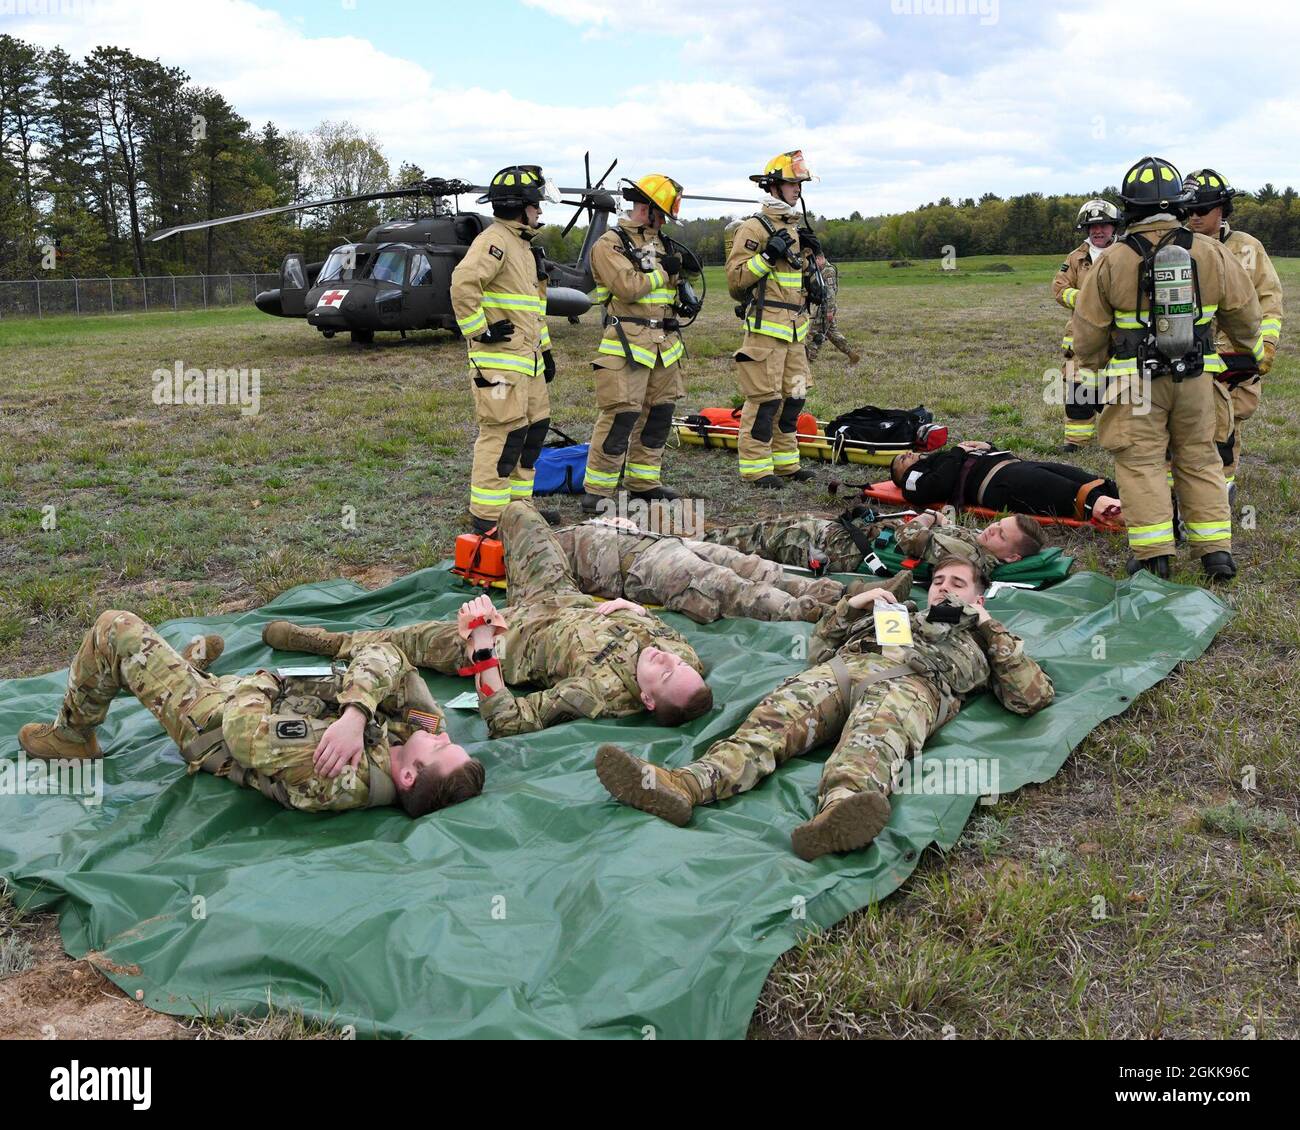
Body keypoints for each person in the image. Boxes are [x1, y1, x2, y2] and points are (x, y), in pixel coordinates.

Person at [596, 556, 1054, 860]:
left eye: (958, 584)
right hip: (843, 670)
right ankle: (685, 785)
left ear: (977, 596)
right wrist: (854, 605)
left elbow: (1030, 697)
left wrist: (989, 627)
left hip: (915, 686)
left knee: (870, 746)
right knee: (769, 725)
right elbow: (818, 650)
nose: (943, 590)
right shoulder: (898, 615)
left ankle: (839, 816)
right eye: (937, 582)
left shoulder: (984, 637)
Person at [262, 503, 712, 737]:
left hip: (508, 636)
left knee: (406, 641)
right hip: (559, 598)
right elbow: (670, 640)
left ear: (648, 702)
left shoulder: (597, 694)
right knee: (517, 513)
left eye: (664, 671)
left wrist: (481, 649)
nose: (664, 656)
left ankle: (327, 642)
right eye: (676, 661)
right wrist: (632, 609)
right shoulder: (681, 658)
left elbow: (508, 720)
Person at [17, 612, 483, 816]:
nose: (442, 733)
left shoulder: (333, 769)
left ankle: (74, 738)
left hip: (212, 722)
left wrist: (268, 679)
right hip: (249, 700)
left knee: (114, 629)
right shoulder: (415, 737)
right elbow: (389, 656)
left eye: (442, 748)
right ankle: (187, 668)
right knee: (186, 667)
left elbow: (243, 732)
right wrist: (357, 712)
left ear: (408, 777)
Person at [1072, 156, 1262, 580]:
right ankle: (1216, 552)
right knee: (1200, 458)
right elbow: (1246, 315)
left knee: (1141, 463)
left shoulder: (1111, 259)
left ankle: (1155, 555)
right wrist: (1247, 352)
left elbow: (1086, 335)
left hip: (1134, 385)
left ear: (1129, 208)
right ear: (1178, 204)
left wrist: (1097, 365)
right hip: (1198, 379)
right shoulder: (1211, 252)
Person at [451, 165, 556, 534]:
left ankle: (520, 508)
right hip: (500, 363)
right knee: (503, 433)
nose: (540, 211)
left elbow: (530, 309)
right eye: (536, 204)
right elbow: (463, 284)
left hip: (527, 362)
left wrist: (545, 351)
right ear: (519, 207)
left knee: (533, 430)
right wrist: (480, 331)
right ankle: (489, 515)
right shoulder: (495, 240)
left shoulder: (523, 246)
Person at [581, 175, 690, 510]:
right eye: (662, 214)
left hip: (664, 343)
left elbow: (670, 288)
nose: (664, 222)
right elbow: (628, 287)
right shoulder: (609, 244)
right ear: (648, 209)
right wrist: (663, 273)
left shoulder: (663, 244)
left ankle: (644, 482)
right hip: (628, 342)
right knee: (621, 415)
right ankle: (598, 491)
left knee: (659, 414)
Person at [1184, 168, 1284, 503]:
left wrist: (1266, 344)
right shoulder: (1177, 246)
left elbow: (1269, 298)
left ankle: (1221, 485)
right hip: (1190, 352)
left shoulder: (1247, 248)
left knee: (1226, 422)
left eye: (1202, 209)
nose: (1193, 217)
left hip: (1233, 355)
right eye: (1188, 210)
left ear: (1222, 208)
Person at [725, 150, 819, 488]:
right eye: (793, 182)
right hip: (765, 333)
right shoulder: (754, 228)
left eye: (800, 183)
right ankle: (756, 469)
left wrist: (814, 267)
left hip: (794, 333)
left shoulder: (793, 228)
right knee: (765, 402)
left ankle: (786, 464)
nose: (799, 188)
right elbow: (736, 282)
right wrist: (766, 255)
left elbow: (796, 282)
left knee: (793, 399)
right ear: (775, 186)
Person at [550, 516, 844, 624]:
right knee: (728, 587)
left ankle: (841, 593)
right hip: (644, 568)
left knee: (751, 566)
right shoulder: (542, 562)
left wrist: (613, 522)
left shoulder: (559, 533)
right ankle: (817, 613)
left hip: (659, 543)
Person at [703, 505, 1043, 579]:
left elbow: (909, 537)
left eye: (1000, 535)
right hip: (850, 543)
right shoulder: (977, 547)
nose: (991, 531)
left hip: (841, 548)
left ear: (1012, 557)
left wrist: (926, 518)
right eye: (996, 524)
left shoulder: (967, 554)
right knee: (766, 531)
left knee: (760, 535)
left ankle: (691, 545)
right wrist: (944, 521)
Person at [889, 440, 1123, 523]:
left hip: (1017, 467)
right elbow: (936, 486)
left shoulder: (937, 459)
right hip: (1000, 484)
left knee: (1090, 480)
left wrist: (986, 447)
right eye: (901, 460)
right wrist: (958, 452)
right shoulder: (913, 478)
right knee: (1075, 494)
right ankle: (1119, 512)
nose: (907, 454)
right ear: (901, 477)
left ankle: (1131, 496)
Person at [1052, 198, 1120, 450]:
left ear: (1114, 227)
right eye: (1092, 227)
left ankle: (1122, 438)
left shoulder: (1125, 253)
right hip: (1081, 336)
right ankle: (1076, 441)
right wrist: (1087, 300)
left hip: (1117, 336)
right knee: (1077, 390)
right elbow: (1060, 289)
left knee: (1118, 390)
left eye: (1103, 225)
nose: (1097, 231)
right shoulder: (1076, 257)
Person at [805, 257, 860, 365]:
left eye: (815, 260)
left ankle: (808, 359)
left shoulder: (828, 271)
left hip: (826, 307)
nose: (814, 263)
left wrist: (829, 310)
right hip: (824, 306)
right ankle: (851, 354)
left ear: (820, 258)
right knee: (832, 334)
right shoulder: (821, 270)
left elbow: (830, 292)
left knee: (814, 333)